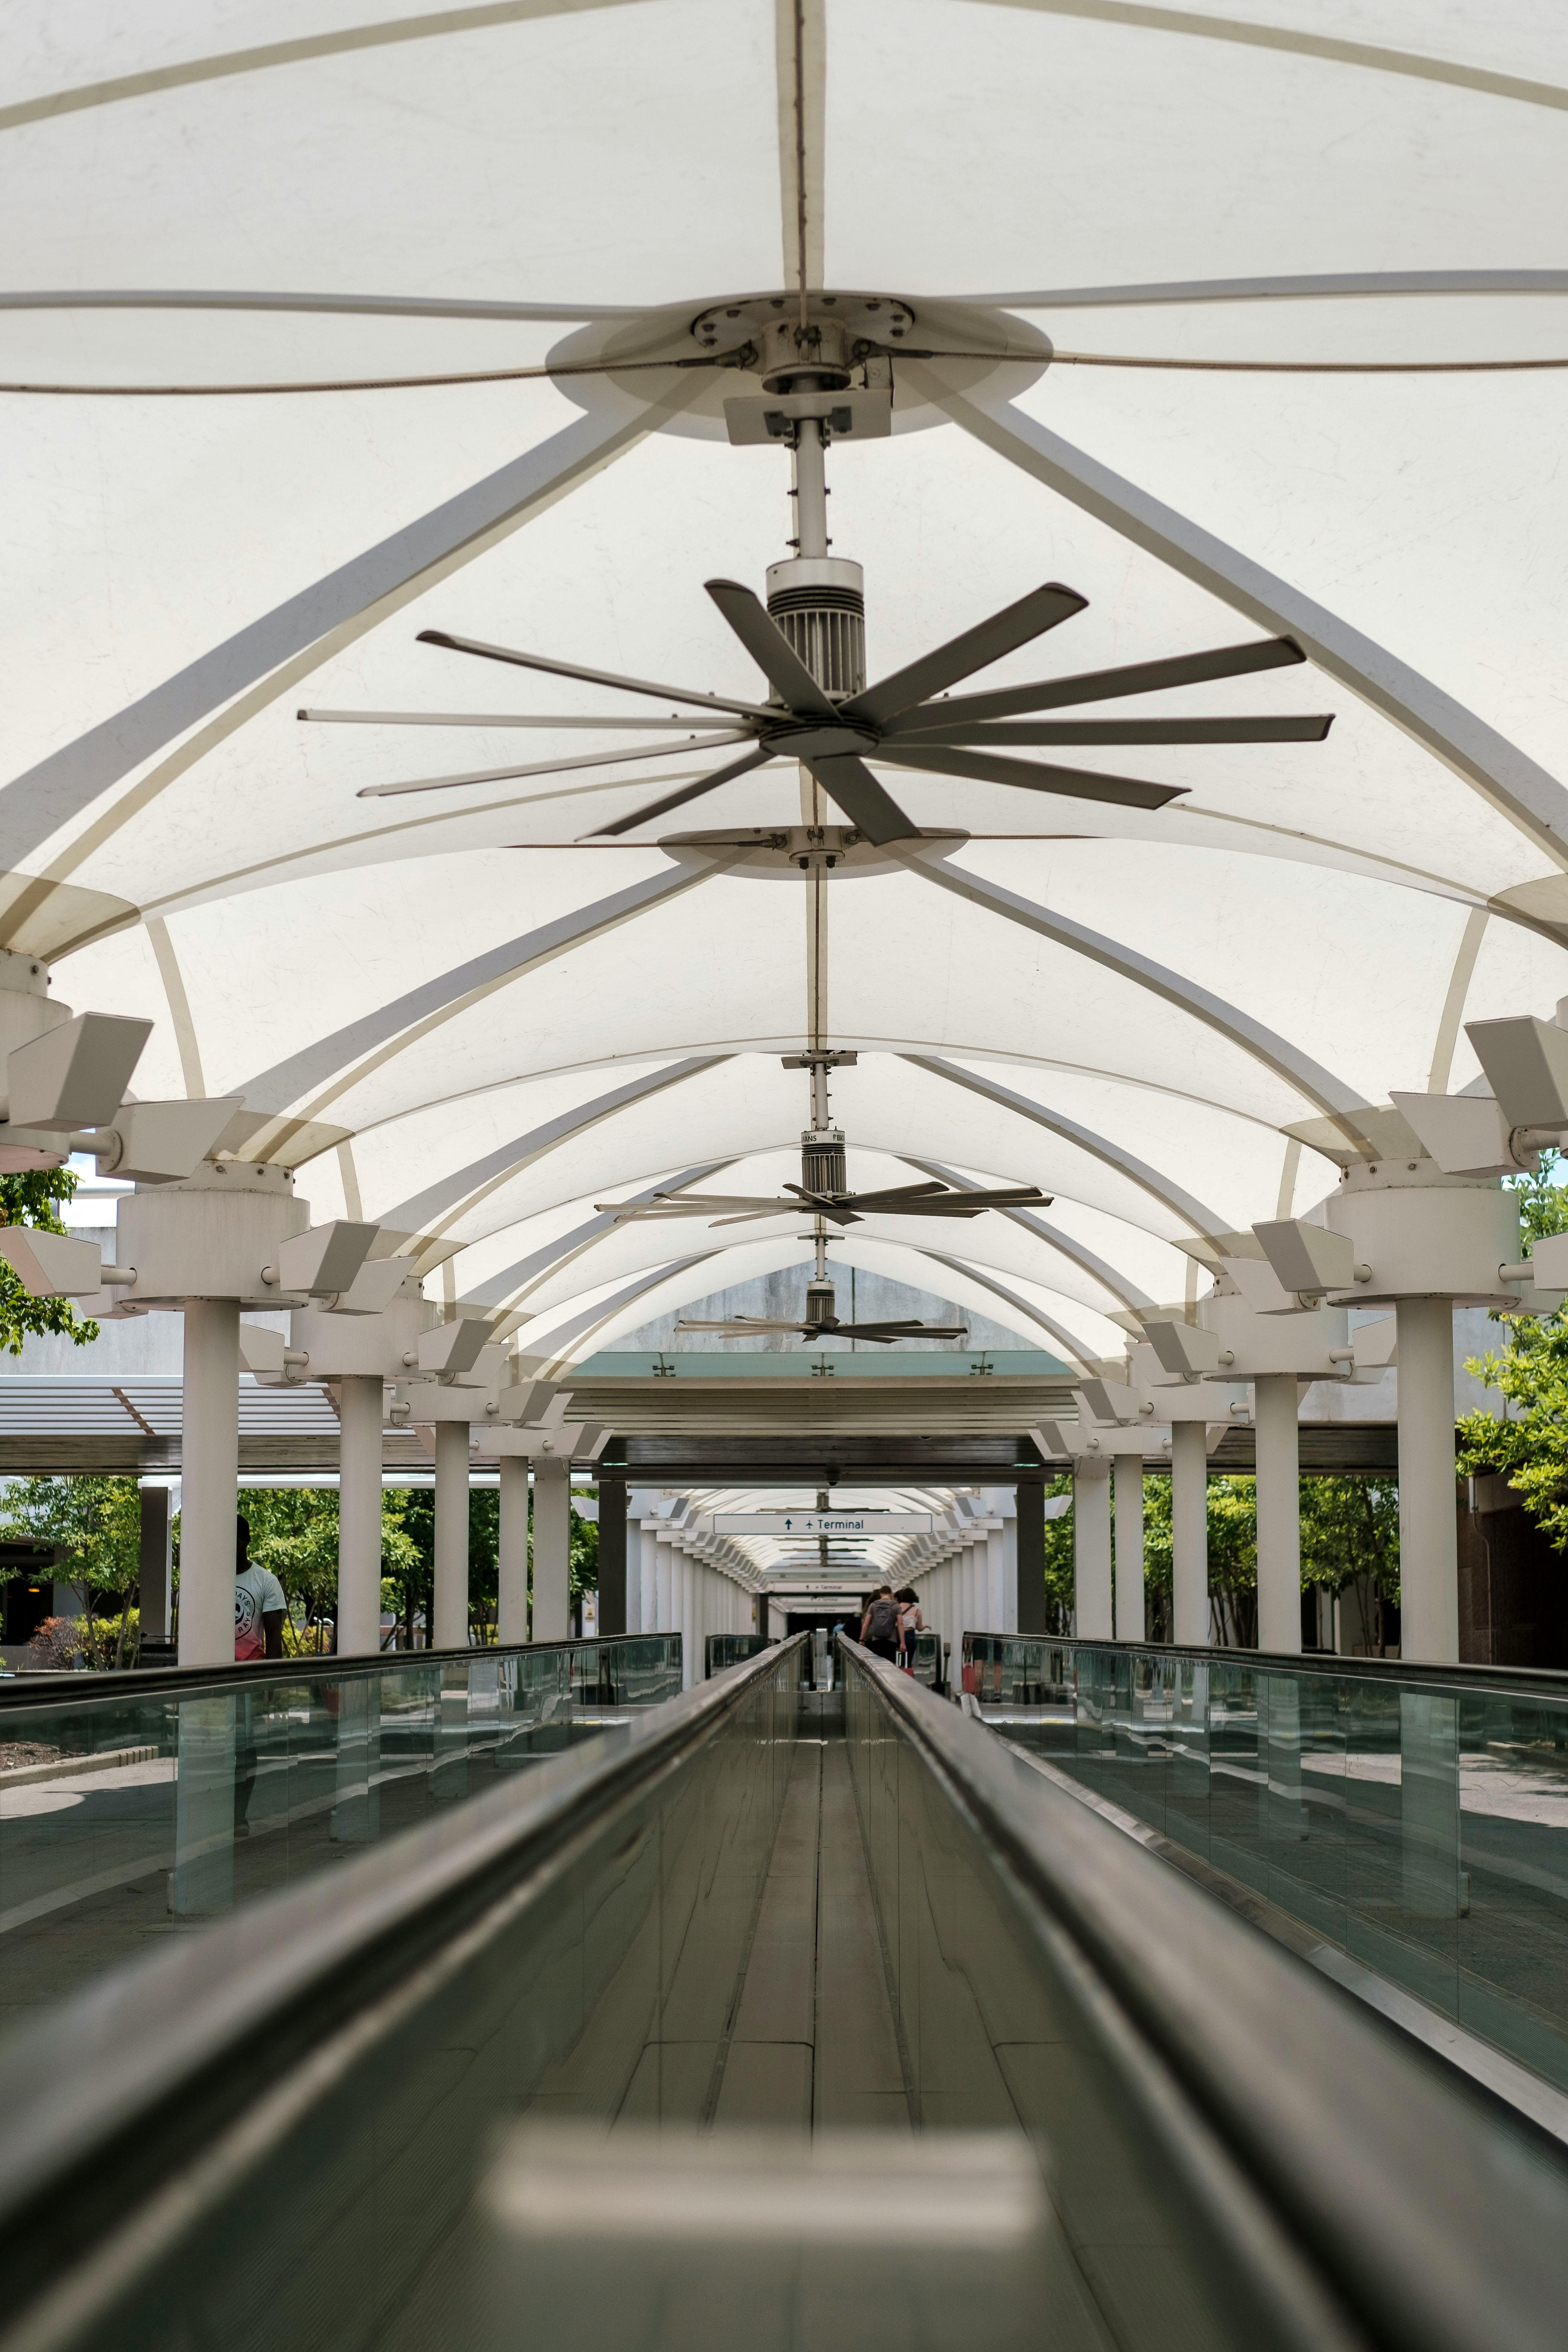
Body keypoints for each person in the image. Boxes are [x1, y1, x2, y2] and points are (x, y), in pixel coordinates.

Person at [234, 1515, 286, 1661]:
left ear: (247, 1541)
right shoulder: (211, 1580)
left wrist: (270, 1680)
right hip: (215, 1671)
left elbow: (273, 1637)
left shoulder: (266, 1581)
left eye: (236, 1543)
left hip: (252, 1671)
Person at [860, 1584, 902, 1663]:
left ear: (881, 1594)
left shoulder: (873, 1606)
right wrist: (903, 1643)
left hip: (876, 1639)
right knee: (890, 1664)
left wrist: (862, 1639)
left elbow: (866, 1624)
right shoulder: (896, 1606)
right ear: (890, 1594)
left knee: (877, 1664)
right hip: (892, 1640)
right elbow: (900, 1625)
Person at [896, 1587, 925, 1673]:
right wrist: (926, 1626)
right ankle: (907, 1678)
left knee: (897, 1661)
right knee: (908, 1663)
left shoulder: (897, 1608)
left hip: (897, 1636)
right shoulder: (917, 1610)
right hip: (910, 1636)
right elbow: (919, 1628)